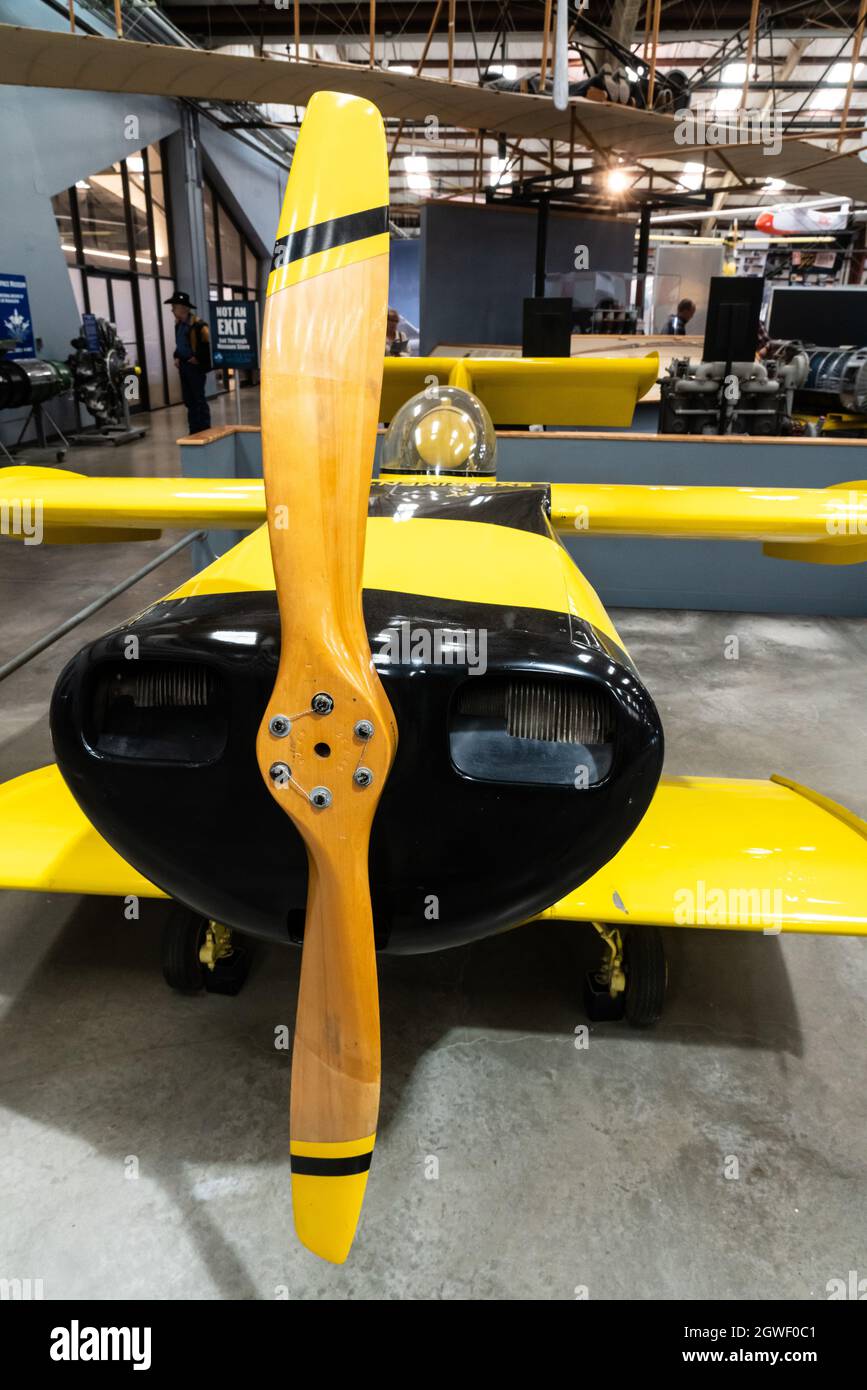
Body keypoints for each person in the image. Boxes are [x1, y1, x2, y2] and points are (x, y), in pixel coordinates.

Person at [165, 290, 212, 433]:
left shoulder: (199, 325)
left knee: (198, 399)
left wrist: (198, 358)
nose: (172, 310)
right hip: (184, 366)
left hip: (194, 367)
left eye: (174, 307)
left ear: (182, 308)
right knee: (189, 400)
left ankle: (204, 428)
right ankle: (194, 429)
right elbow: (180, 345)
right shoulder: (178, 325)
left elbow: (208, 345)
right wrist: (177, 356)